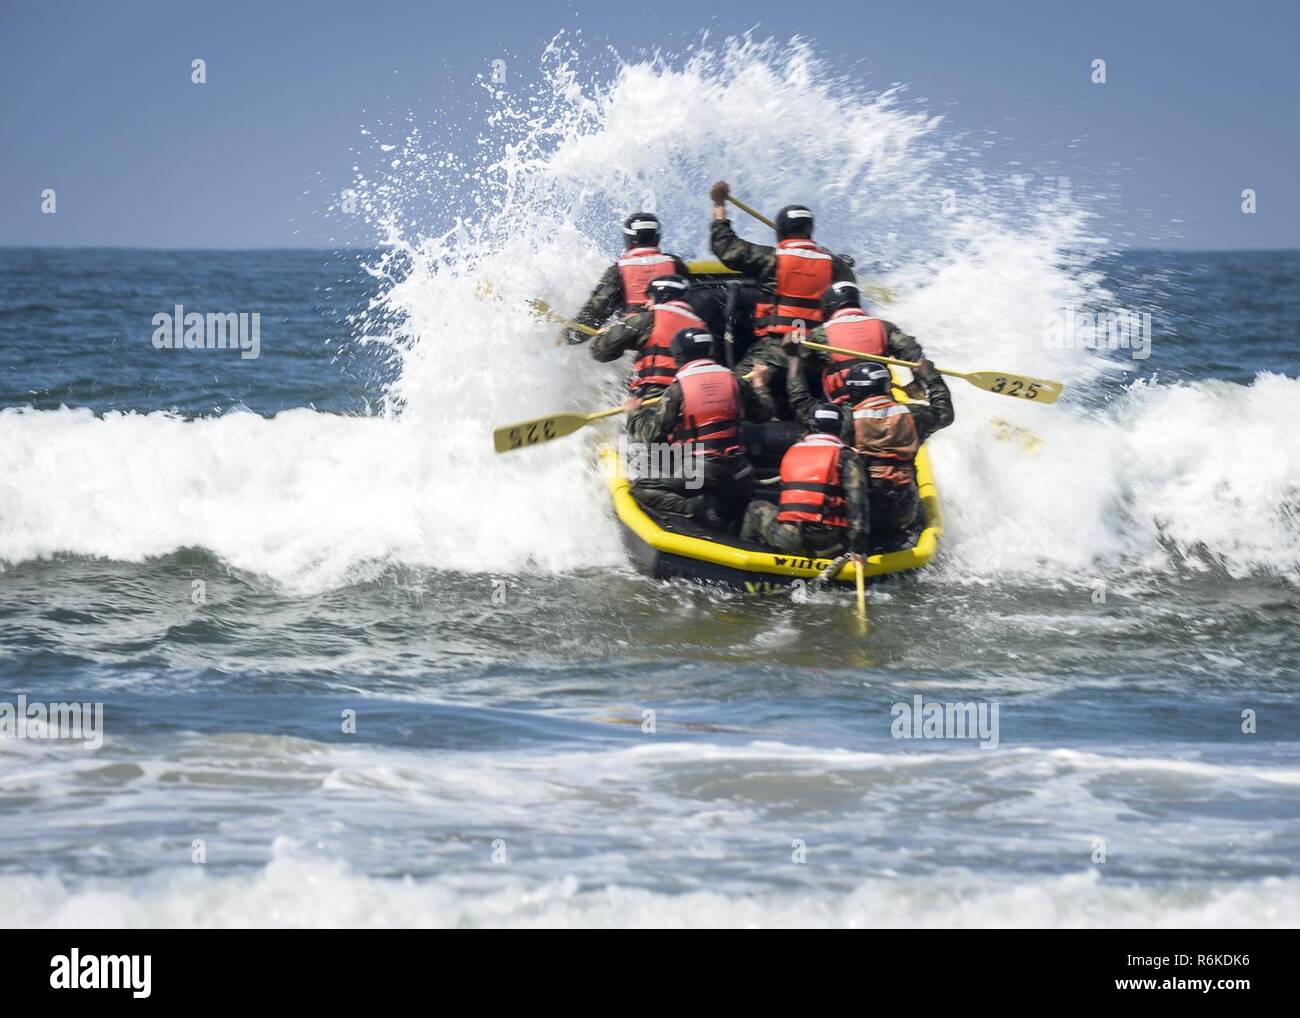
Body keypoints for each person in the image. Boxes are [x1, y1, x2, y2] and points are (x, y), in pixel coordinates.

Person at [784, 342, 954, 551]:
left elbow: (801, 404)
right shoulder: (913, 416)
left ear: (855, 391)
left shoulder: (847, 419)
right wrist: (931, 376)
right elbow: (944, 412)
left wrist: (794, 360)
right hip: (902, 511)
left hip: (863, 513)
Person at [707, 180, 856, 394]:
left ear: (781, 231)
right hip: (819, 350)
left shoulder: (771, 260)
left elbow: (726, 247)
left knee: (730, 390)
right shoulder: (835, 264)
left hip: (776, 350)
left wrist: (719, 205)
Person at [625, 328, 774, 529]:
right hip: (740, 473)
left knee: (641, 487)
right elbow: (763, 413)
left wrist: (634, 413)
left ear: (679, 355)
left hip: (701, 473)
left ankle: (695, 508)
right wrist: (759, 385)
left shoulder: (677, 390)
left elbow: (652, 437)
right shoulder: (735, 380)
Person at [740, 403, 870, 560]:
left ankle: (755, 563)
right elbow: (858, 504)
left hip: (790, 537)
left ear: (811, 426)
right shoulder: (848, 457)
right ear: (841, 427)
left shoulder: (793, 450)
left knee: (755, 508)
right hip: (830, 543)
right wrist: (857, 548)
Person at [561, 212, 692, 344]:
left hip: (640, 340)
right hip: (680, 336)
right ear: (656, 237)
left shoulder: (619, 270)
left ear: (628, 238)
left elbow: (597, 311)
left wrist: (571, 335)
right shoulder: (676, 265)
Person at [806, 281, 927, 404]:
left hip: (843, 404)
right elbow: (914, 353)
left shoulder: (820, 333)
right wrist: (917, 383)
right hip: (882, 399)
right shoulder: (883, 326)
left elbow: (804, 366)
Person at [589, 275, 705, 397]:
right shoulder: (701, 326)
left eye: (650, 298)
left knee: (615, 394)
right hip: (692, 395)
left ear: (662, 296)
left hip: (653, 394)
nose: (646, 303)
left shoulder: (649, 319)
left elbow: (602, 351)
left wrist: (605, 335)